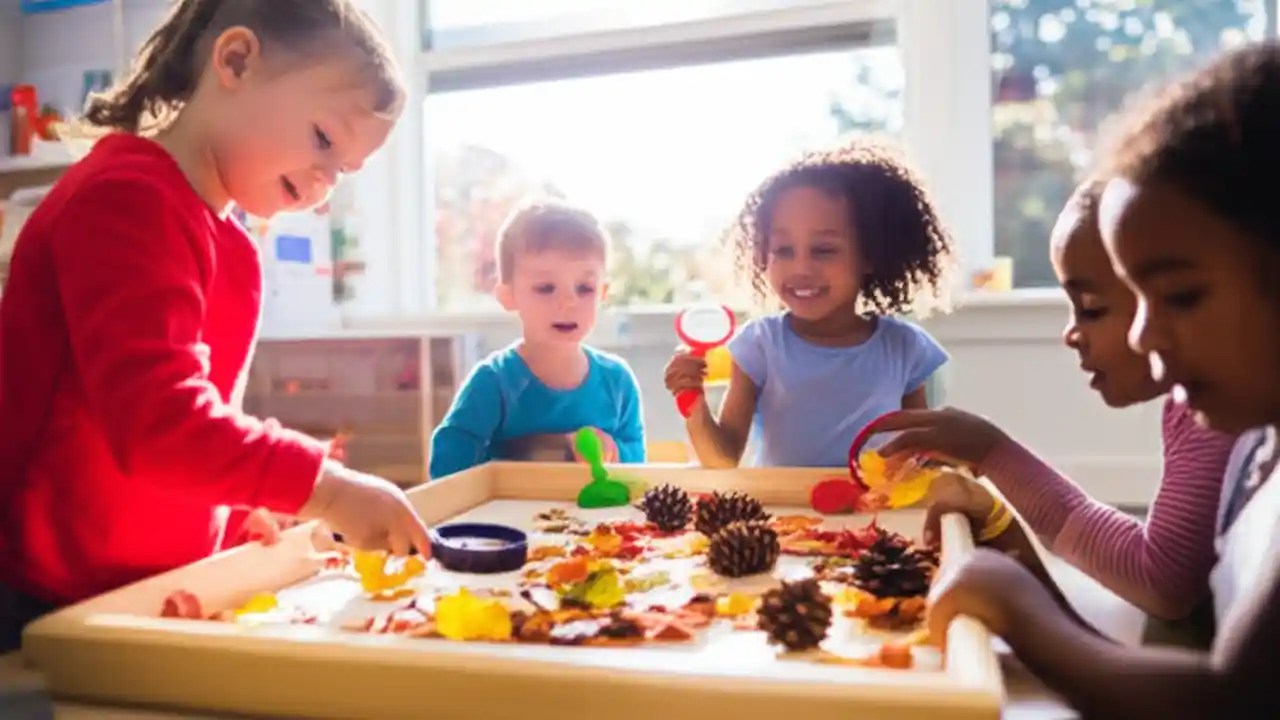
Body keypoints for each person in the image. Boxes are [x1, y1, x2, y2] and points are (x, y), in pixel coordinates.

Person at [0, 0, 431, 652]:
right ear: (234, 61)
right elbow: (157, 424)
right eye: (322, 139)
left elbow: (195, 431)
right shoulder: (128, 199)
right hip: (41, 600)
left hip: (135, 592)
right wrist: (327, 487)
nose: (324, 181)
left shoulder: (223, 231)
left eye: (343, 169)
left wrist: (229, 515)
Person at [928, 40, 1280, 719]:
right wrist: (1017, 570)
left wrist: (1023, 608)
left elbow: (1224, 703)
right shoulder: (1261, 447)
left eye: (1179, 297)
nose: (1144, 337)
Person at [864, 179, 1235, 619]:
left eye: (1092, 308)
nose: (1071, 334)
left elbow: (1161, 581)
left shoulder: (1213, 414)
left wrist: (992, 454)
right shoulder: (1191, 403)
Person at [664, 137, 952, 468]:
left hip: (877, 513)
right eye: (783, 250)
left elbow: (921, 456)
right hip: (781, 516)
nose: (801, 269)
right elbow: (724, 459)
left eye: (824, 250)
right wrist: (692, 402)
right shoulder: (760, 345)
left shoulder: (905, 347)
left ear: (870, 254)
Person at [429, 198, 645, 479]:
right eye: (545, 288)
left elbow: (640, 465)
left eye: (585, 288)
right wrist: (551, 451)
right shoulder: (493, 383)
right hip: (511, 520)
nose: (568, 302)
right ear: (508, 296)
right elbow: (447, 468)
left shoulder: (617, 381)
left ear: (602, 294)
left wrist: (615, 451)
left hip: (599, 521)